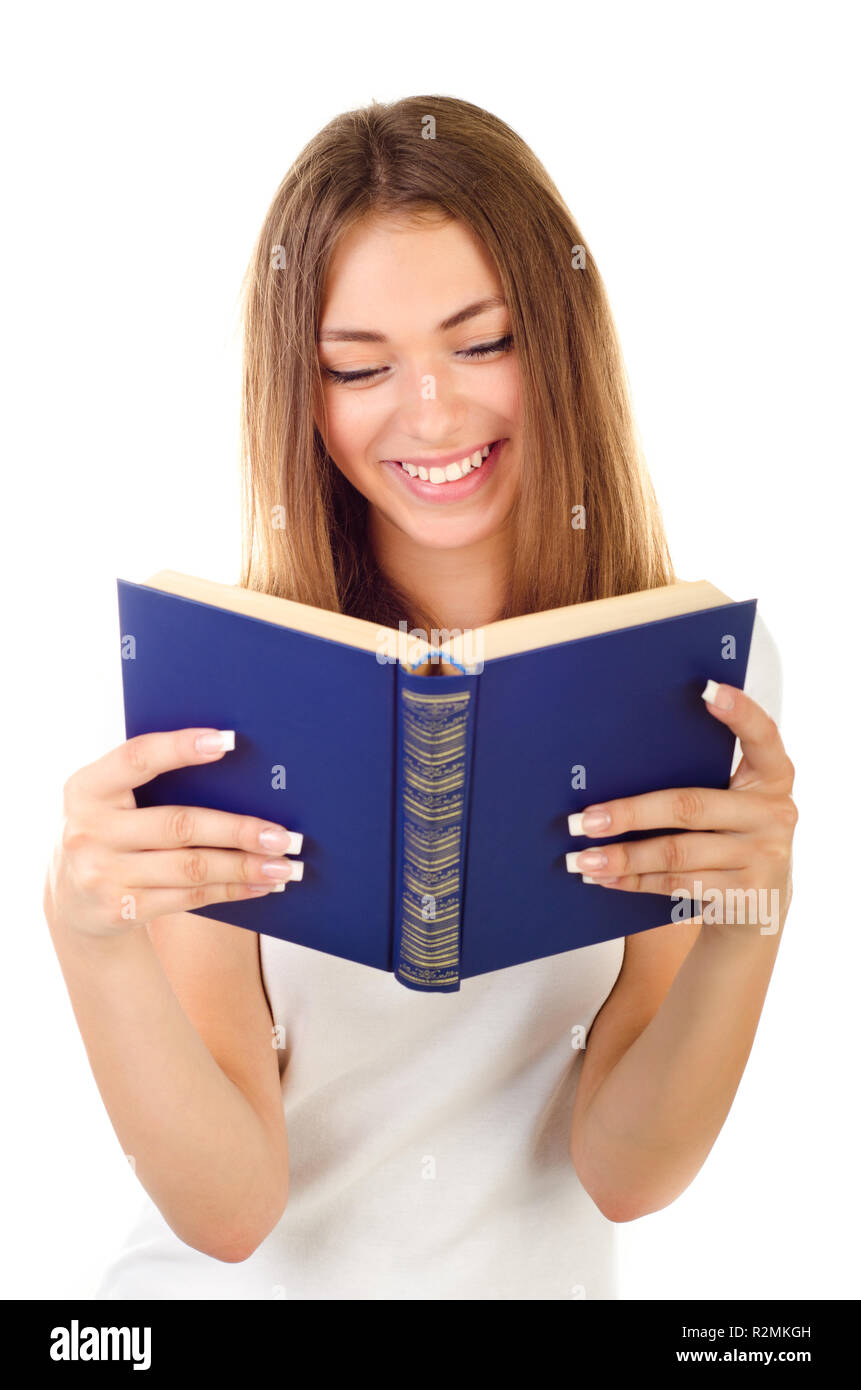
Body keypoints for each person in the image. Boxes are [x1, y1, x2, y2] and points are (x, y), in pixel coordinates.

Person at [43, 95, 796, 1300]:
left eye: (482, 342)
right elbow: (228, 1210)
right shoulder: (224, 679)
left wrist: (750, 918)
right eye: (360, 365)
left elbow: (626, 1171)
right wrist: (90, 943)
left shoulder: (693, 669)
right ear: (307, 388)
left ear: (560, 335)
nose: (432, 410)